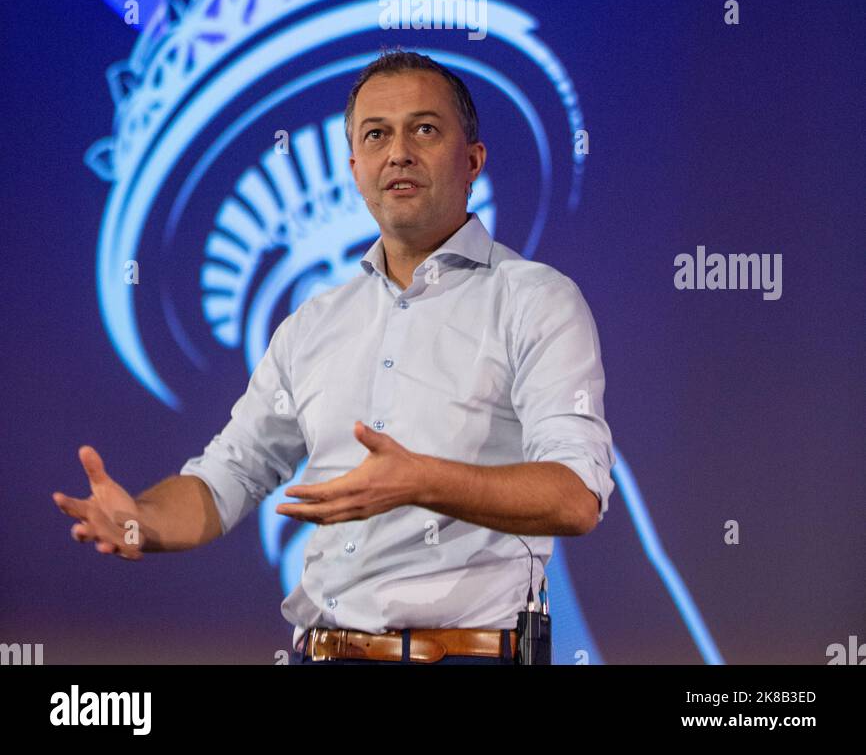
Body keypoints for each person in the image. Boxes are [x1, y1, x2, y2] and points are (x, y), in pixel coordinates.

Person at [53, 48, 615, 665]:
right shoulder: (312, 325)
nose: (398, 151)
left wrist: (424, 481)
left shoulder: (535, 300)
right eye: (376, 135)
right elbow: (229, 476)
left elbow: (575, 495)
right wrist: (141, 521)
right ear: (356, 167)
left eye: (424, 129)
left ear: (473, 161)